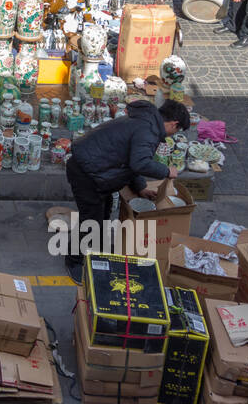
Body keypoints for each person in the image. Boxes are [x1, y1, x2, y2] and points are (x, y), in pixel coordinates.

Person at [63, 100, 190, 278]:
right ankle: (74, 261)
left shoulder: (146, 123)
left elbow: (130, 160)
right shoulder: (148, 131)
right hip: (87, 173)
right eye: (176, 131)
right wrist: (166, 171)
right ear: (174, 124)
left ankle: (99, 248)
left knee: (104, 211)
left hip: (98, 172)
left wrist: (141, 187)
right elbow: (140, 163)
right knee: (90, 220)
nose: (173, 135)